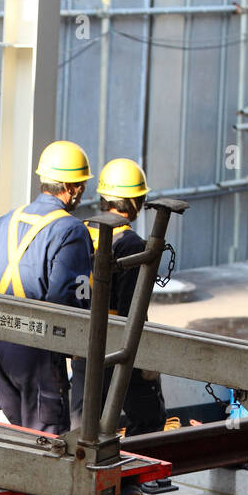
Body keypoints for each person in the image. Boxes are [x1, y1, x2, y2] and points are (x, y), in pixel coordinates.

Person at [0, 140, 93, 434]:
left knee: (21, 435)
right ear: (72, 188)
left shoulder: (5, 221)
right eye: (82, 185)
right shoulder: (71, 230)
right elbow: (68, 300)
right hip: (37, 354)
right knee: (47, 442)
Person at [68, 157, 167, 434]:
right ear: (137, 202)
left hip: (82, 343)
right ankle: (136, 476)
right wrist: (145, 360)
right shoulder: (131, 244)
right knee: (148, 419)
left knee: (82, 427)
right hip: (118, 342)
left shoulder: (81, 232)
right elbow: (132, 308)